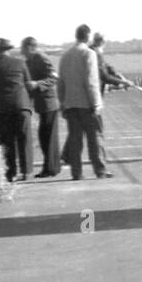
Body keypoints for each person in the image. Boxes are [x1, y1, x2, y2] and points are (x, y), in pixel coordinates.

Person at [58, 24, 112, 180]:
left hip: (70, 103)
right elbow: (91, 80)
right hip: (87, 104)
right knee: (95, 138)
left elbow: (60, 82)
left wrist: (62, 102)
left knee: (75, 140)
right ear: (87, 36)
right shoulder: (89, 54)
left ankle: (76, 172)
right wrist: (96, 102)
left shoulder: (66, 55)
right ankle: (100, 170)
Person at [0, 38, 36, 182]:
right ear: (9, 49)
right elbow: (29, 85)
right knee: (24, 139)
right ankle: (27, 171)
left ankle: (10, 172)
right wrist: (29, 104)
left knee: (7, 142)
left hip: (2, 108)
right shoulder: (20, 63)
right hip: (21, 107)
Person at [22, 37, 61, 178]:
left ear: (30, 47)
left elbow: (54, 77)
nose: (21, 51)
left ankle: (50, 168)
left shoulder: (41, 58)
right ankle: (51, 167)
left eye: (23, 48)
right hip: (41, 105)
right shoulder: (29, 61)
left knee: (48, 137)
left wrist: (38, 84)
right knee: (44, 137)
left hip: (49, 104)